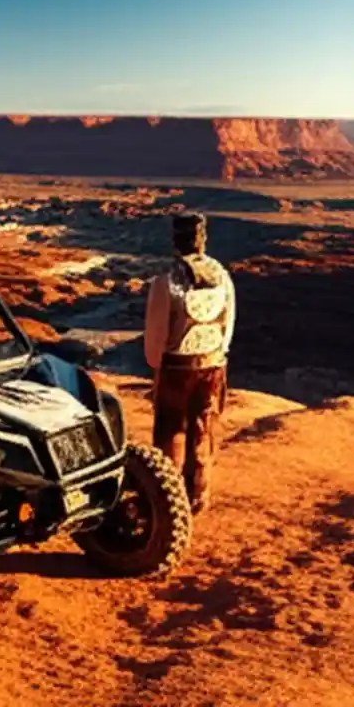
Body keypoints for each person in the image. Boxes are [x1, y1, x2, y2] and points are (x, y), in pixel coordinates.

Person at [144, 212, 236, 514]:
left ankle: (167, 502)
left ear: (174, 240)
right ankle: (197, 495)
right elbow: (229, 323)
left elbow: (156, 334)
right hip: (212, 367)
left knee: (168, 435)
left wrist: (156, 367)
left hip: (175, 370)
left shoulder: (166, 282)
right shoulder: (221, 275)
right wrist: (219, 356)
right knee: (203, 431)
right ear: (203, 239)